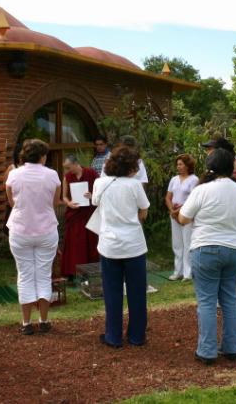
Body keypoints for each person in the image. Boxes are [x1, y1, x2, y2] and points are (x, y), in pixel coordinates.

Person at [178, 149, 236, 365]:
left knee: (207, 301)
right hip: (235, 249)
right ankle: (232, 347)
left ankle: (207, 351)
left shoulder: (202, 190)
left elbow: (183, 218)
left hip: (206, 247)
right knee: (229, 299)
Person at [93, 145, 150, 348]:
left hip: (109, 244)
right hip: (134, 245)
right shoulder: (134, 185)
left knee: (112, 292)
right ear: (131, 166)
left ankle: (113, 336)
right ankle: (137, 336)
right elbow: (143, 210)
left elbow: (95, 203)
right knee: (137, 292)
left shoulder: (100, 183)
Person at [5, 139, 61, 335]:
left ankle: (26, 323)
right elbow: (55, 202)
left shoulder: (14, 174)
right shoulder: (52, 175)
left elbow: (11, 201)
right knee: (44, 275)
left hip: (20, 229)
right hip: (46, 229)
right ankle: (44, 320)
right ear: (43, 156)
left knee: (25, 275)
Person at [201, 137, 236, 308]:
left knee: (230, 255)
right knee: (233, 254)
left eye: (210, 149)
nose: (208, 152)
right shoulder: (224, 165)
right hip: (227, 214)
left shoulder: (230, 165)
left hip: (227, 215)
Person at [60, 154, 99, 280]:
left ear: (76, 164)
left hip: (89, 212)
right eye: (65, 168)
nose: (67, 171)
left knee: (89, 242)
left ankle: (90, 271)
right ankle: (71, 271)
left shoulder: (91, 173)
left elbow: (100, 192)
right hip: (75, 213)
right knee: (74, 243)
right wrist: (69, 203)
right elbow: (64, 196)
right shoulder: (67, 177)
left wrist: (91, 195)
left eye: (68, 167)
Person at [165, 154, 199, 281]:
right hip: (174, 215)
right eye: (177, 164)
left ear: (188, 165)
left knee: (187, 242)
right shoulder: (174, 179)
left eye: (181, 164)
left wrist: (179, 210)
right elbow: (168, 197)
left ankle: (188, 273)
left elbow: (193, 199)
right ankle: (177, 271)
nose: (178, 167)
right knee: (177, 243)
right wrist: (172, 211)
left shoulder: (194, 179)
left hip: (187, 215)